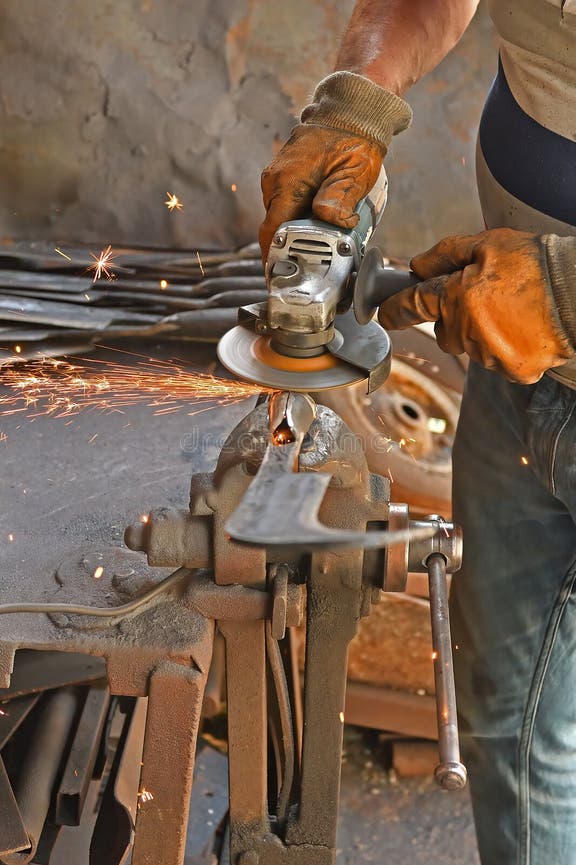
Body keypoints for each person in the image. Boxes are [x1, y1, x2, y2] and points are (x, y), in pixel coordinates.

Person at [259, 3, 576, 864]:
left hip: (542, 312)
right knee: (511, 724)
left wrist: (567, 294)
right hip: (515, 370)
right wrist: (354, 104)